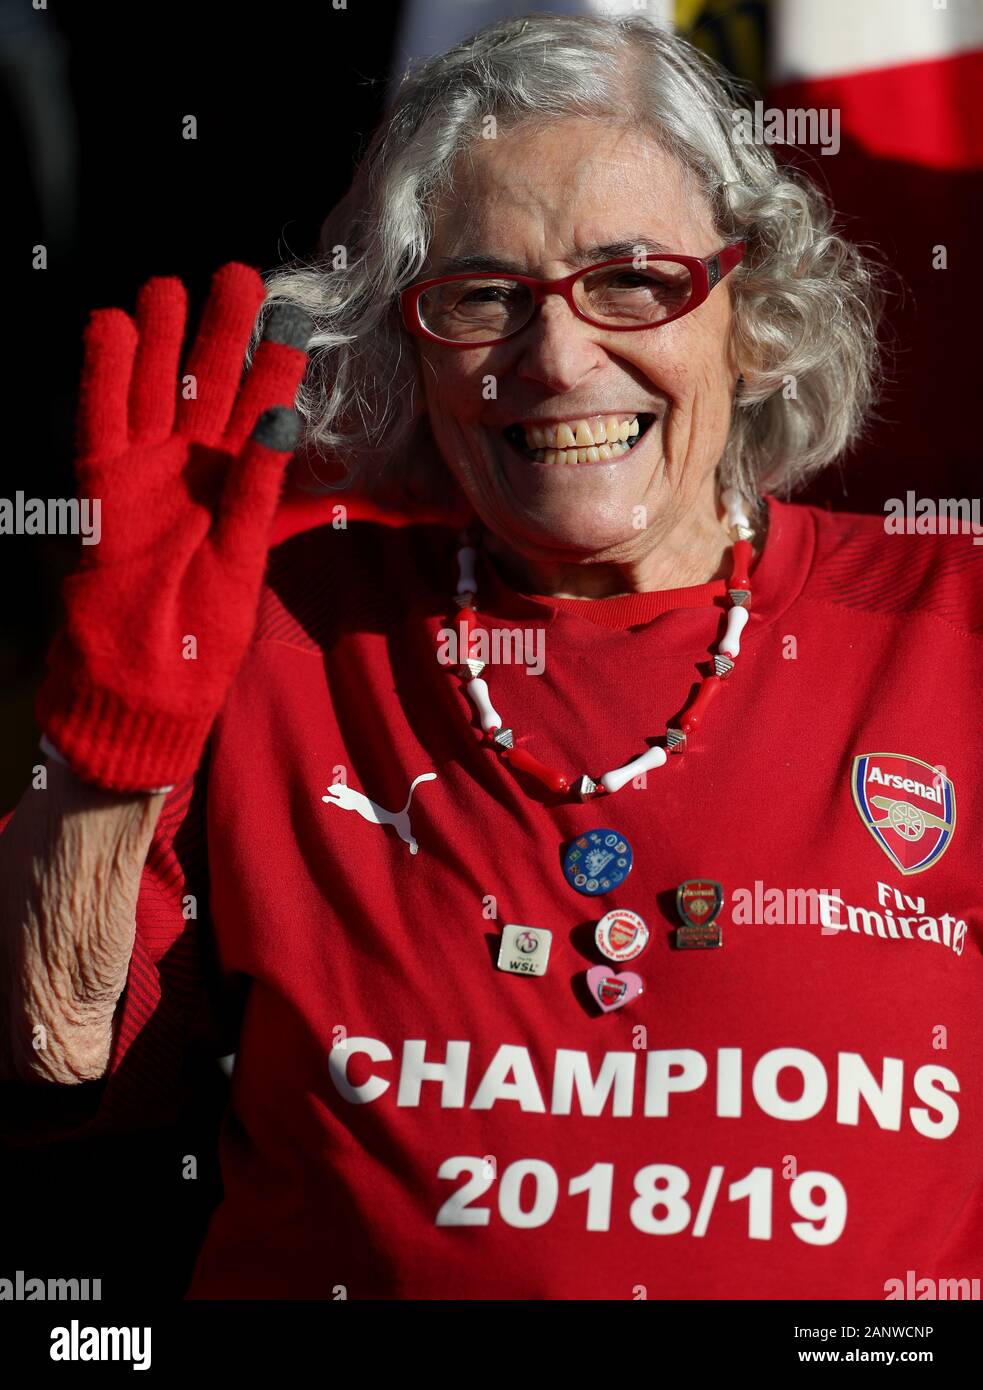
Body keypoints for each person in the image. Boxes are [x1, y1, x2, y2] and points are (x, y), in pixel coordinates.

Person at [1, 12, 981, 1300]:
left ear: (750, 311)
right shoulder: (274, 631)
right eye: (482, 297)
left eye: (635, 280)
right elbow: (44, 1059)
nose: (561, 358)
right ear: (410, 348)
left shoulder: (950, 627)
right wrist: (107, 761)